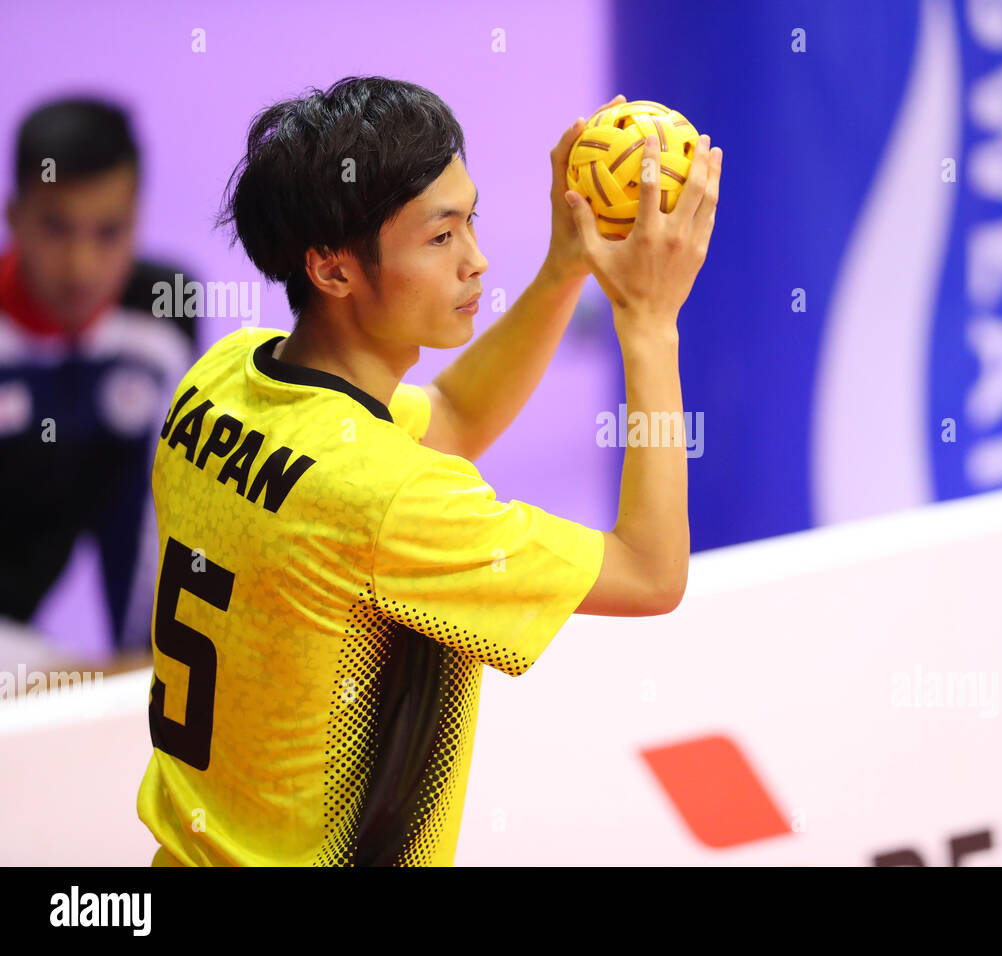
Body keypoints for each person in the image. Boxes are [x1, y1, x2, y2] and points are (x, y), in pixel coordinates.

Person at [137, 76, 721, 866]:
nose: (477, 262)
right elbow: (652, 573)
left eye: (470, 220)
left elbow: (447, 418)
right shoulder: (387, 498)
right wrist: (650, 328)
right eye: (441, 238)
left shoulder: (221, 379)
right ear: (334, 270)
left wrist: (565, 267)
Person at [0, 97, 196, 668]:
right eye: (57, 228)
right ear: (14, 218)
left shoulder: (163, 314)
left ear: (139, 222)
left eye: (109, 232)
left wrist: (156, 661)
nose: (81, 265)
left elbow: (162, 508)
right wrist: (74, 679)